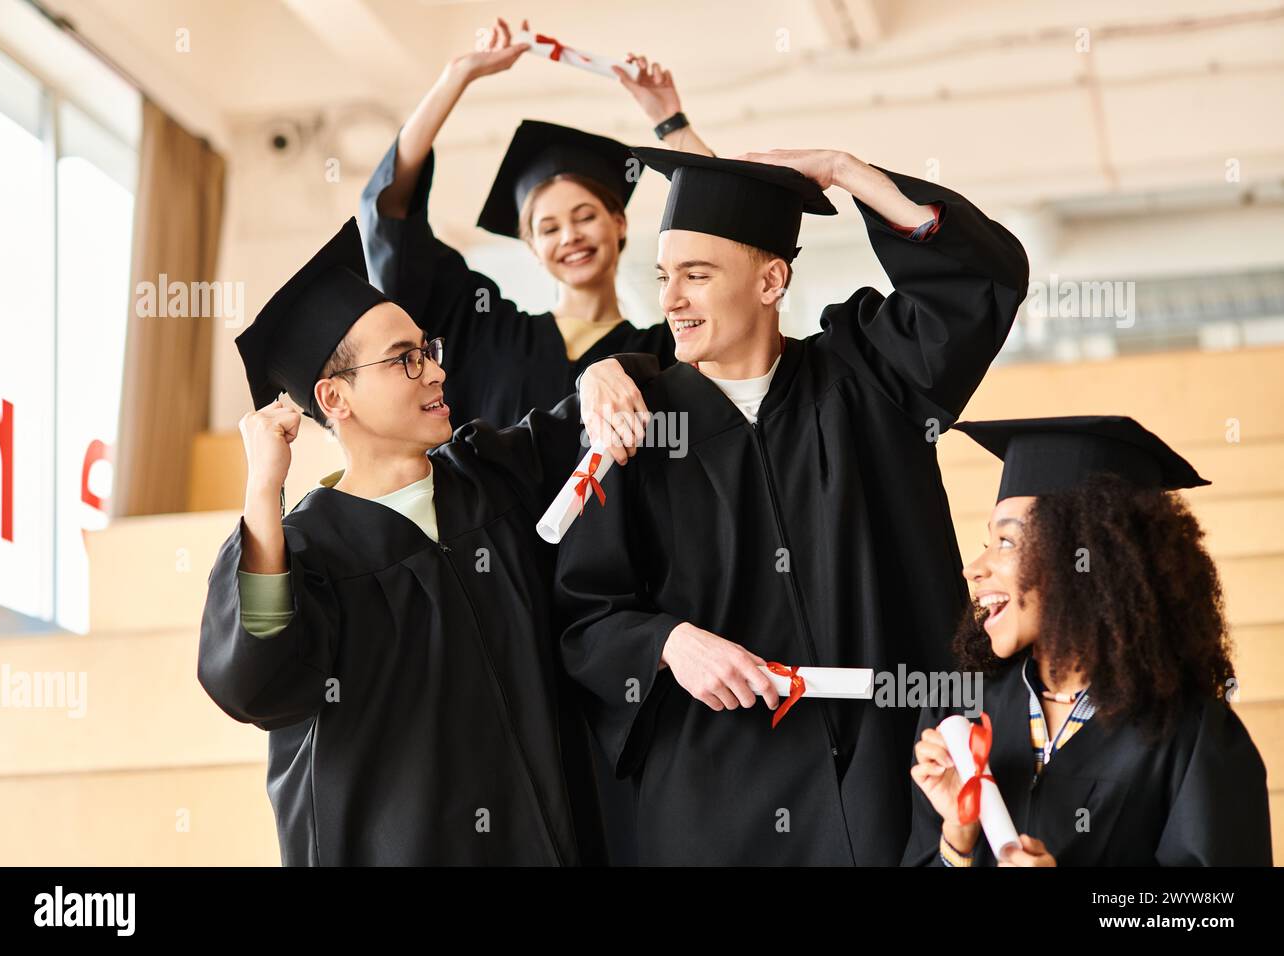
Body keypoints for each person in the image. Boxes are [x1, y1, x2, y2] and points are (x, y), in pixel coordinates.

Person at [554, 147, 1029, 864]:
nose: (671, 299)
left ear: (771, 279)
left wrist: (842, 170)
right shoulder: (634, 427)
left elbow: (977, 282)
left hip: (892, 771)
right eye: (663, 277)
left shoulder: (868, 380)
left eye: (697, 275)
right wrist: (665, 642)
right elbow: (586, 615)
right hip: (718, 799)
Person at [197, 218, 657, 865]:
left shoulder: (491, 473)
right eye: (405, 359)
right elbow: (260, 683)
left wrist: (599, 374)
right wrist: (262, 490)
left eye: (429, 349)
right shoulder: (306, 548)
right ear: (335, 397)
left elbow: (599, 414)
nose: (435, 372)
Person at [904, 415, 1272, 867]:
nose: (974, 567)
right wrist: (957, 840)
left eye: (1006, 542)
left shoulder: (1189, 737)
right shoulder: (958, 714)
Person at [359, 17, 713, 430]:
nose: (570, 236)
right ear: (530, 246)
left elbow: (732, 238)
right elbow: (391, 213)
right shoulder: (485, 333)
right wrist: (457, 76)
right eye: (548, 228)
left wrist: (672, 122)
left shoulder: (664, 350)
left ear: (618, 223)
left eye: (585, 216)